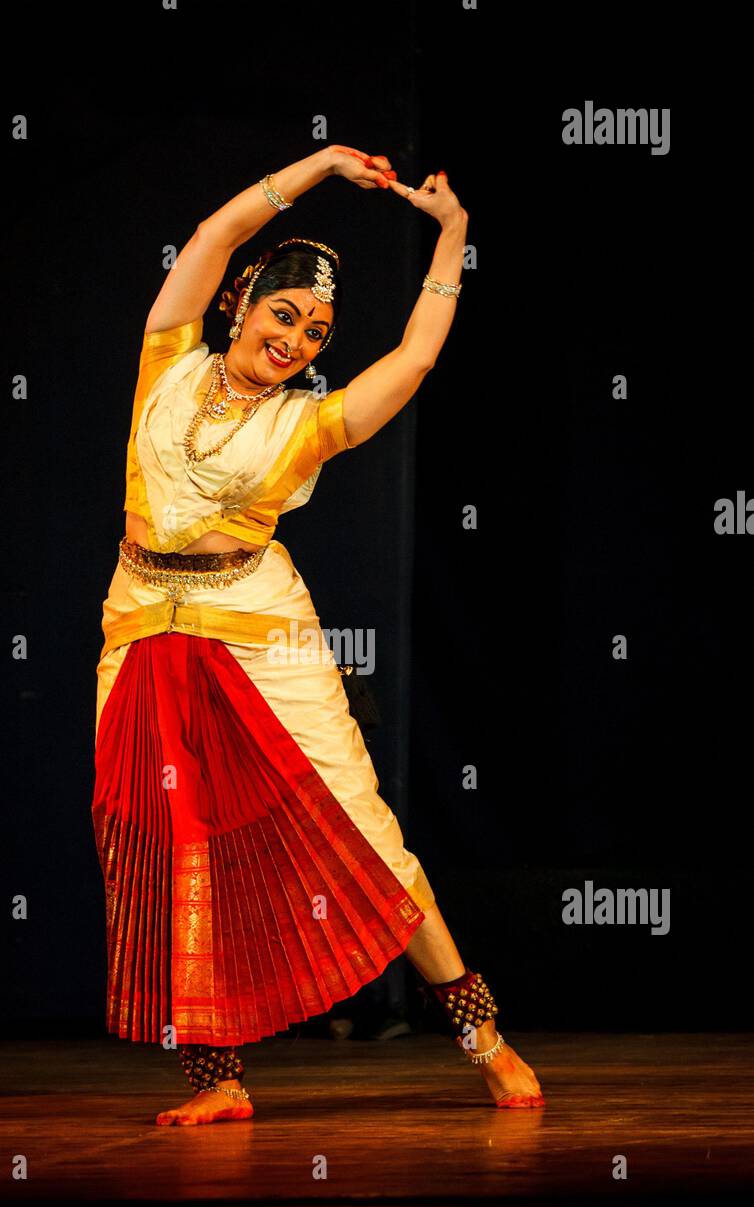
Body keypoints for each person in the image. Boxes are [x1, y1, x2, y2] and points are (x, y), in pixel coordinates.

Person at [91, 145, 545, 1125]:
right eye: (284, 314)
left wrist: (453, 235)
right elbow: (216, 234)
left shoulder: (308, 423)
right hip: (140, 621)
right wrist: (321, 165)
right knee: (176, 847)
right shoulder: (166, 353)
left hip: (256, 626)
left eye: (316, 330)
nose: (295, 338)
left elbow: (415, 357)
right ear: (241, 303)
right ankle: (218, 1082)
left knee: (360, 827)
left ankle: (480, 1033)